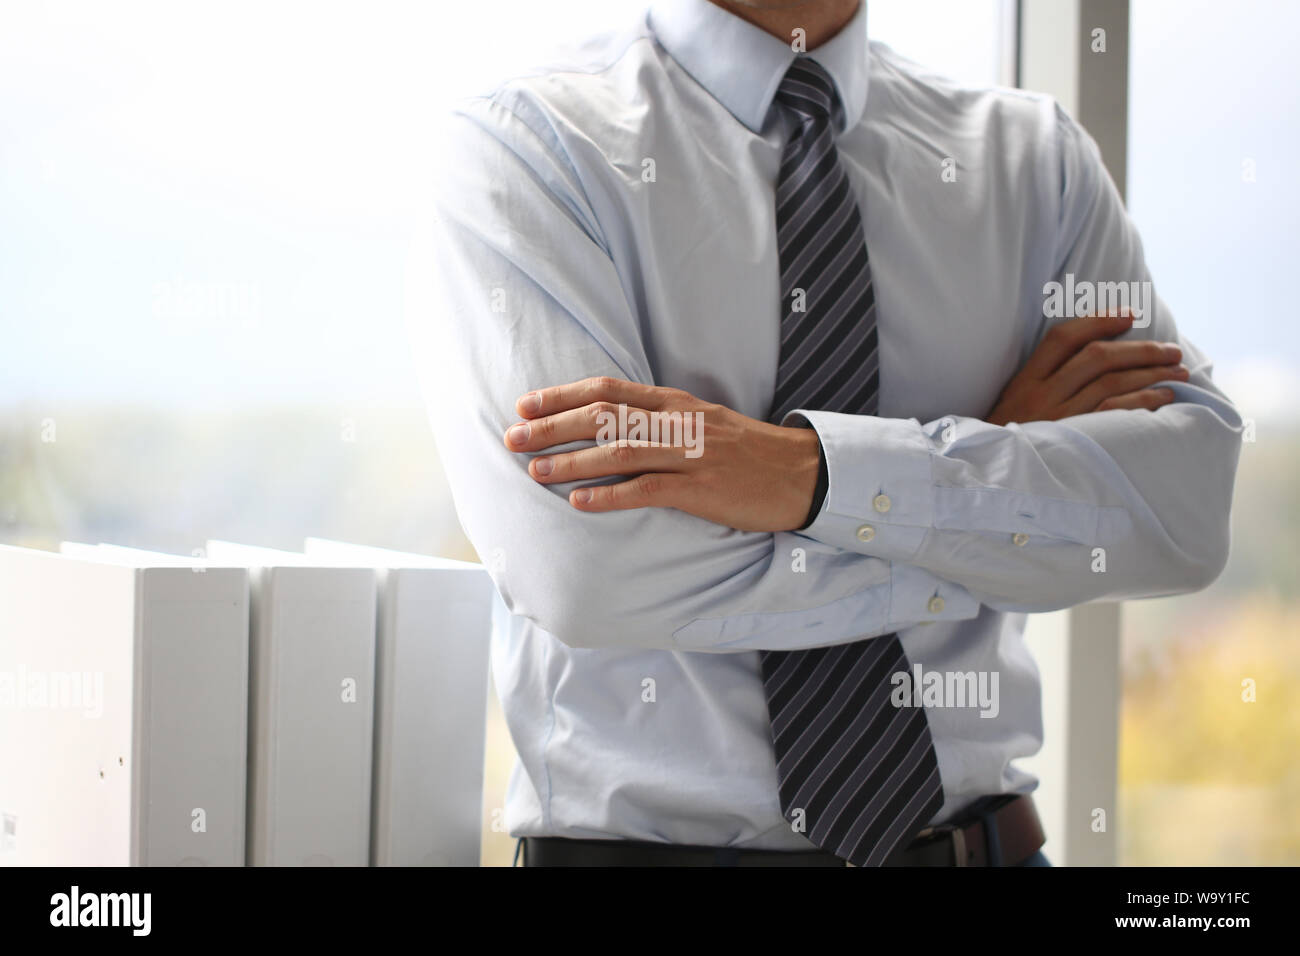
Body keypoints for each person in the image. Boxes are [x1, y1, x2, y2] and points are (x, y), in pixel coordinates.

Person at [409, 0, 1242, 866]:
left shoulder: (1036, 162)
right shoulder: (528, 148)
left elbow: (1179, 515)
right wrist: (987, 495)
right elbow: (591, 576)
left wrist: (803, 474)